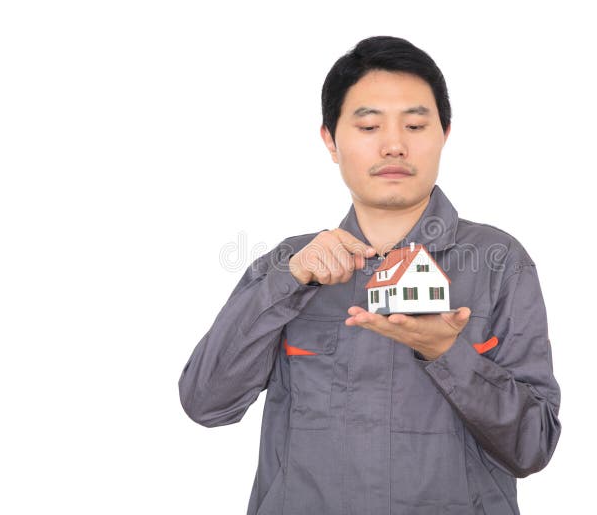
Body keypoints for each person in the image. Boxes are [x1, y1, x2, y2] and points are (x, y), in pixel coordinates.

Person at [178, 36, 561, 515]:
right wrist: (288, 282)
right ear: (330, 141)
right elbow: (206, 404)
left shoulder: (498, 262)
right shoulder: (289, 266)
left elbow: (534, 446)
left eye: (416, 125)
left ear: (444, 133)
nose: (394, 144)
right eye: (368, 125)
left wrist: (447, 353)